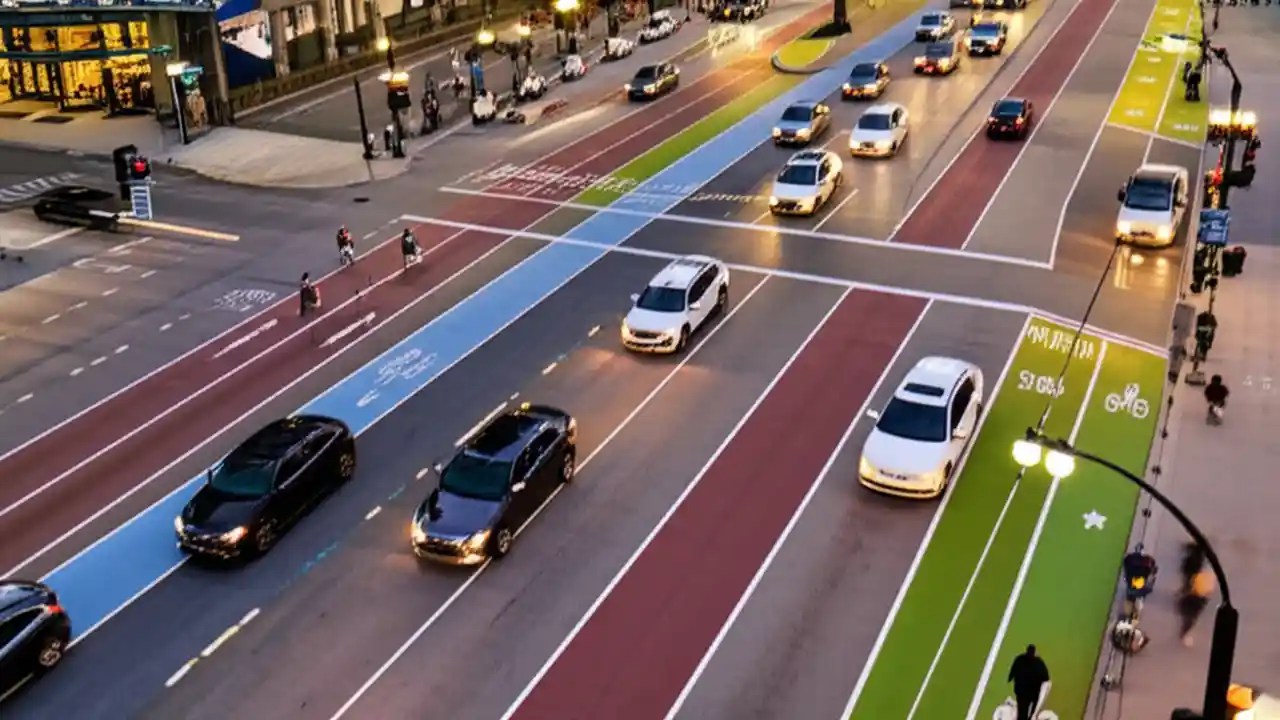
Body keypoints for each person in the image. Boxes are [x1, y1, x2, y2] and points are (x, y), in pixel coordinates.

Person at [1177, 542, 1214, 646]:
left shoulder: (1194, 558)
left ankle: (1183, 633)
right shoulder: (1199, 596)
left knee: (1188, 621)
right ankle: (1183, 634)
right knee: (1189, 622)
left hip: (1189, 602)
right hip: (1191, 606)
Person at [1008, 645, 1050, 720]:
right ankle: (1031, 716)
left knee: (1022, 710)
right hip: (1032, 692)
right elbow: (1046, 678)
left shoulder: (1020, 659)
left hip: (1022, 691)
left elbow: (1013, 671)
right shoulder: (1038, 662)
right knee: (1031, 709)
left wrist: (1011, 678)